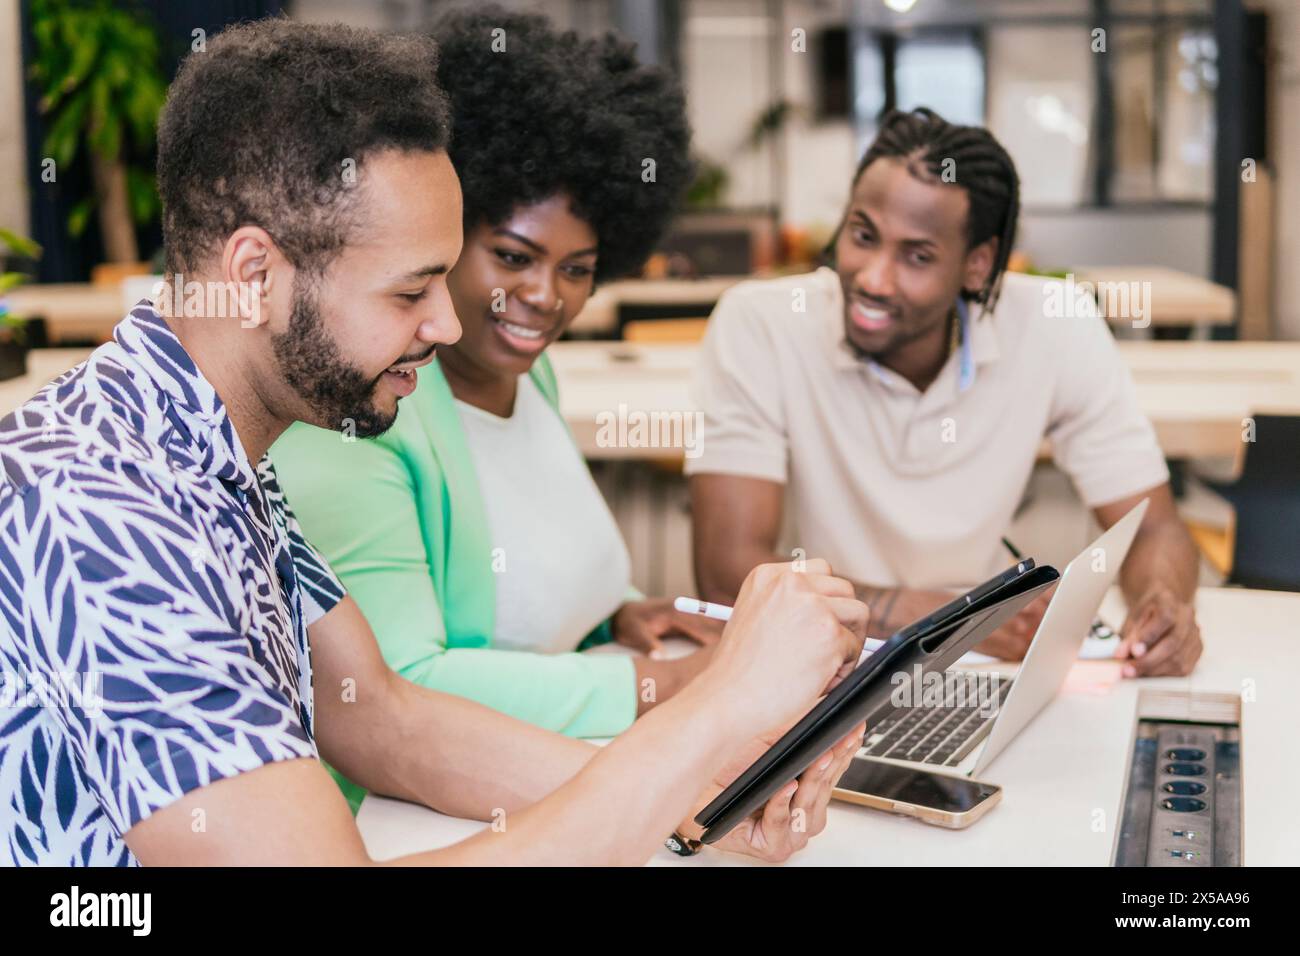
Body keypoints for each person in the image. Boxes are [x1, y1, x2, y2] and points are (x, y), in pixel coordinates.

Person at [0, 19, 866, 866]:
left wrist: (697, 800)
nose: (448, 322)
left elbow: (381, 716)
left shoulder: (209, 443)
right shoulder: (105, 509)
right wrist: (712, 708)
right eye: (411, 290)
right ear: (255, 276)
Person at [272, 11, 715, 811]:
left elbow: (521, 595)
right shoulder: (355, 414)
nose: (544, 297)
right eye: (513, 256)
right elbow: (404, 686)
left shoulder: (528, 378)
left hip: (553, 781)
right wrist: (656, 685)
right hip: (408, 819)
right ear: (441, 232)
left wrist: (612, 621)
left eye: (577, 268)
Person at [687, 107, 1202, 678]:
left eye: (918, 256)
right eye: (863, 235)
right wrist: (938, 615)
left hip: (991, 662)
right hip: (831, 662)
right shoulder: (760, 323)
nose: (873, 278)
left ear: (977, 265)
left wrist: (1165, 605)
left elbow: (1154, 526)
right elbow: (726, 571)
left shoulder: (1055, 323)